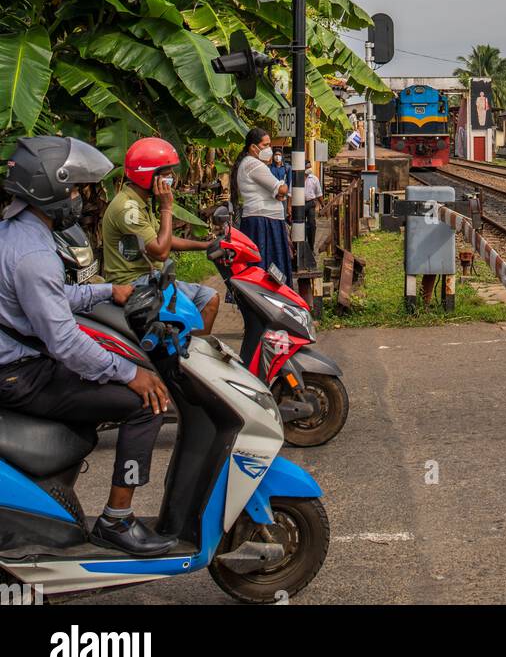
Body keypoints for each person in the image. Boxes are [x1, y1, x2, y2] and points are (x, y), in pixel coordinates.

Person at [0, 136, 175, 557]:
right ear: (50, 190)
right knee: (146, 403)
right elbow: (63, 340)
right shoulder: (33, 253)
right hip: (20, 375)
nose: (80, 199)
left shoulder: (18, 232)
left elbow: (50, 298)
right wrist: (134, 375)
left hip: (18, 363)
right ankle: (118, 521)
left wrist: (105, 292)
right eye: (75, 190)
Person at [101, 138, 218, 336]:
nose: (172, 178)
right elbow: (161, 251)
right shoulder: (128, 209)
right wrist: (166, 208)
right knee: (190, 312)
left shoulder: (139, 202)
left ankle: (191, 358)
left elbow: (166, 239)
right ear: (148, 176)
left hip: (152, 278)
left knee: (209, 298)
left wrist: (207, 245)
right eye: (166, 174)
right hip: (134, 283)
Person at [229, 128, 293, 284]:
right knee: (266, 270)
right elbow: (281, 189)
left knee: (266, 268)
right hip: (263, 221)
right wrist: (284, 187)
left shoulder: (251, 164)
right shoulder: (254, 165)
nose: (269, 149)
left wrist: (279, 191)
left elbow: (276, 191)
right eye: (266, 145)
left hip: (264, 219)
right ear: (253, 147)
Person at [304, 163, 323, 253]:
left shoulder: (314, 179)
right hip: (300, 205)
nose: (309, 169)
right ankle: (301, 247)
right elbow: (291, 194)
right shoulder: (297, 178)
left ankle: (311, 248)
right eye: (307, 167)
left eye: (309, 167)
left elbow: (319, 194)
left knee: (312, 225)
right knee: (300, 226)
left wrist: (323, 205)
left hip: (311, 203)